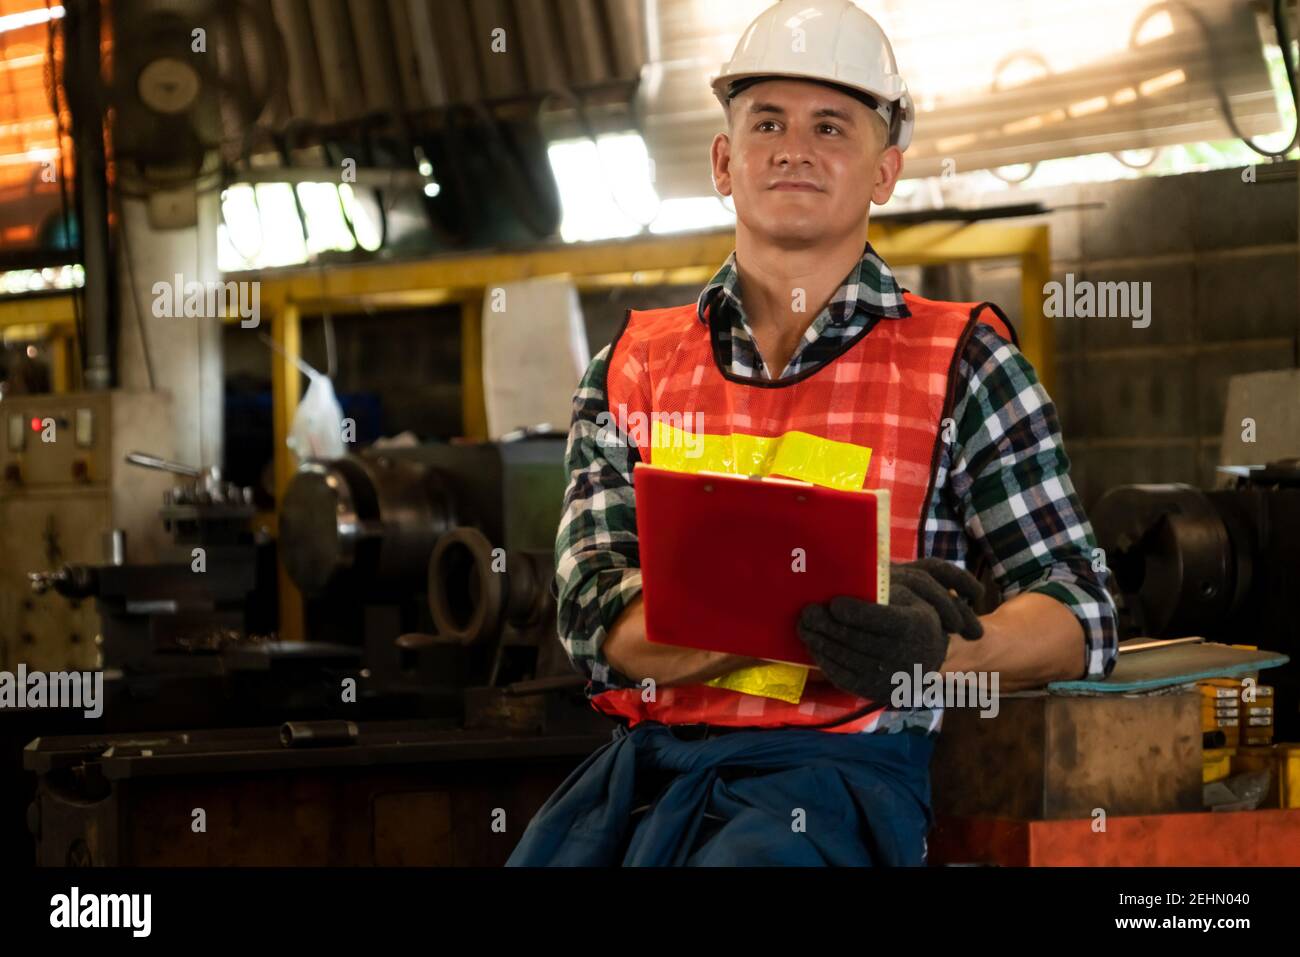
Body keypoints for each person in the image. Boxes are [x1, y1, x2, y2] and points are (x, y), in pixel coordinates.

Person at [508, 0, 1117, 866]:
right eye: (768, 122)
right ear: (724, 161)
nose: (794, 147)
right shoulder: (632, 368)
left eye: (832, 125)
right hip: (639, 778)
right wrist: (806, 611)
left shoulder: (965, 364)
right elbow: (595, 617)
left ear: (885, 171)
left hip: (834, 785)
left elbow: (1081, 608)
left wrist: (931, 649)